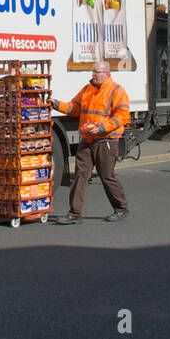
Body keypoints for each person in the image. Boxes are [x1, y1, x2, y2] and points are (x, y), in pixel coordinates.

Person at [51, 60, 129, 223]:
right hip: (87, 140)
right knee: (80, 175)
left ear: (106, 74)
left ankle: (121, 208)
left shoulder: (116, 91)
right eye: (93, 72)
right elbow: (73, 108)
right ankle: (74, 213)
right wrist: (55, 104)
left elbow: (122, 116)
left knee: (107, 176)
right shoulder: (87, 90)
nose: (93, 75)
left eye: (96, 72)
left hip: (106, 140)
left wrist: (102, 127)